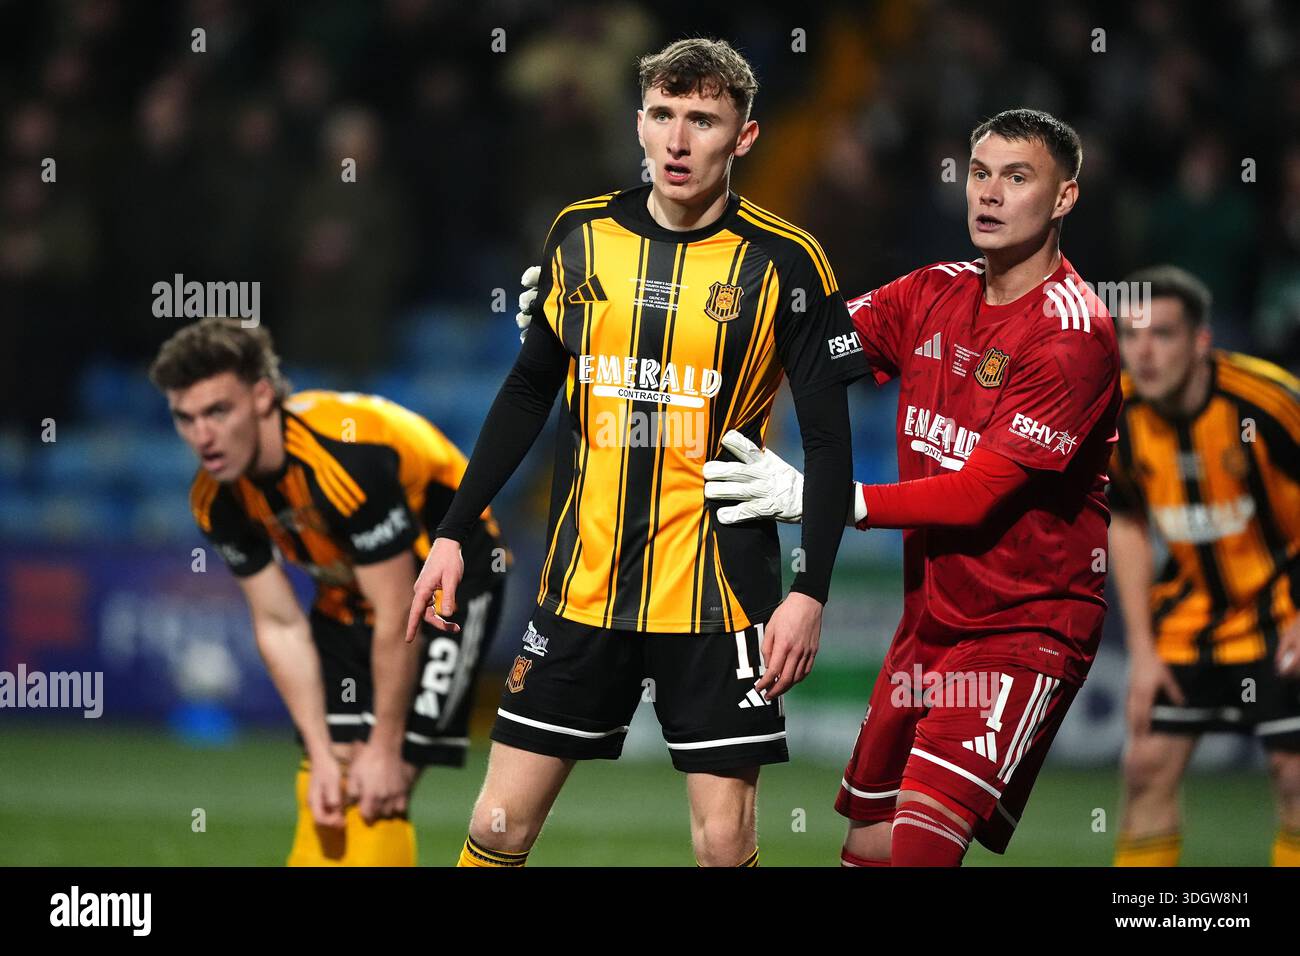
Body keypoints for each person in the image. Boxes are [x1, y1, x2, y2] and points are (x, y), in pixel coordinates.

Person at [408, 37, 868, 868]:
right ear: (639, 124)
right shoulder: (579, 236)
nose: (679, 140)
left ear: (746, 135)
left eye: (703, 119)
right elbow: (525, 392)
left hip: (719, 596)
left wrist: (812, 591)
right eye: (663, 115)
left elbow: (830, 442)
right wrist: (452, 528)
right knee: (497, 826)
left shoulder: (787, 261)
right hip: (584, 583)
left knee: (723, 844)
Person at [702, 109, 1123, 865]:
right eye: (981, 173)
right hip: (929, 623)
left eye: (1017, 178)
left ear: (1064, 199)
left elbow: (975, 496)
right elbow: (799, 342)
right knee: (867, 846)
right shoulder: (932, 293)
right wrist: (610, 316)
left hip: (1022, 629)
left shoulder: (1072, 335)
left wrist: (826, 500)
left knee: (923, 843)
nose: (989, 194)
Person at [150, 316, 507, 865]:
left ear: (262, 396)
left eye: (218, 411)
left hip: (447, 584)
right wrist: (319, 752)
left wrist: (387, 747)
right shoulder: (214, 498)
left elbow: (395, 611)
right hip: (346, 597)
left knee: (377, 791)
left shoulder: (343, 460)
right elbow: (279, 623)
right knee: (327, 779)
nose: (203, 436)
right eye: (186, 418)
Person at [1107, 264, 1300, 867]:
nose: (1144, 352)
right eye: (1131, 334)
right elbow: (1127, 518)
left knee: (1295, 775)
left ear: (1200, 342)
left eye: (1161, 334)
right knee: (1145, 768)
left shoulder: (1269, 403)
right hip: (1191, 614)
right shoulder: (1117, 415)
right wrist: (1140, 650)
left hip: (1285, 607)